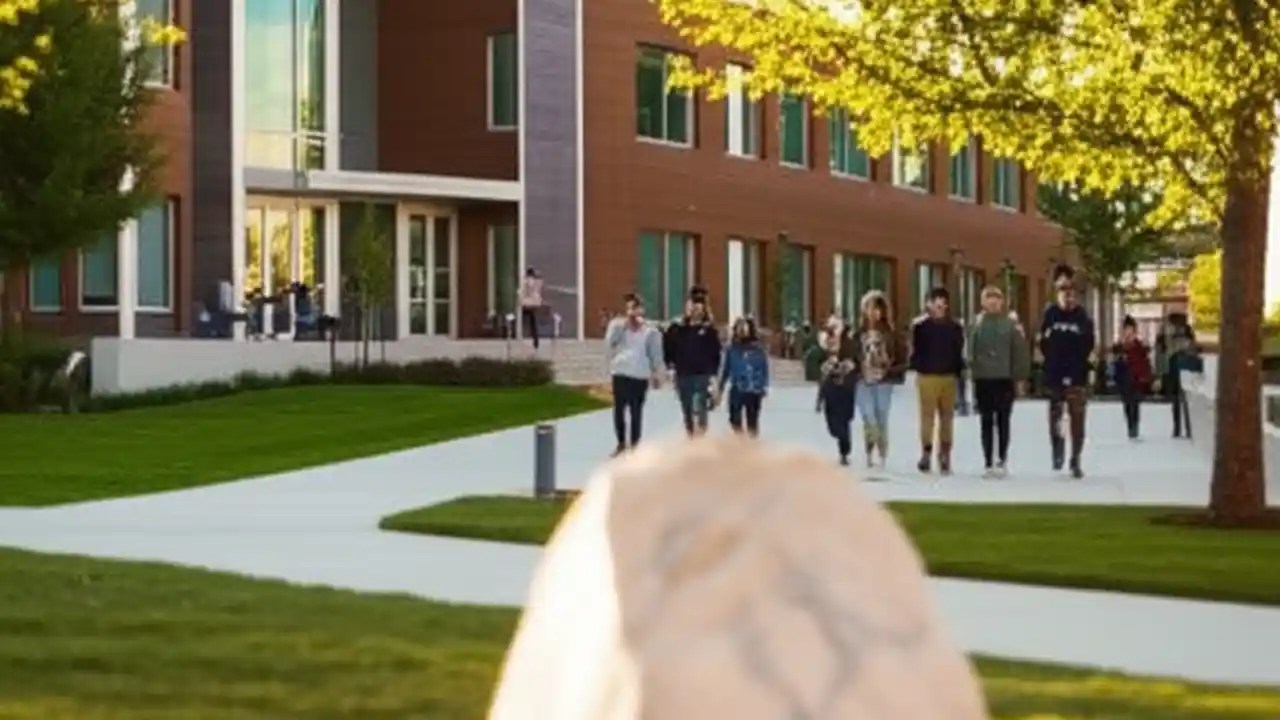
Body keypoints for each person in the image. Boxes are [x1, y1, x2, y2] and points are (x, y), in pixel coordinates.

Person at [968, 286, 1031, 478]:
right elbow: (970, 352)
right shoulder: (977, 325)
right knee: (986, 421)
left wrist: (1019, 378)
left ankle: (1001, 459)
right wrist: (971, 376)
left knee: (1003, 421)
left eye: (996, 298)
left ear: (1002, 302)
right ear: (982, 301)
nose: (993, 302)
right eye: (989, 298)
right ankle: (988, 461)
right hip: (983, 379)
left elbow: (1019, 353)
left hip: (1004, 379)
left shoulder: (1010, 326)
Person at [1039, 270, 1096, 478]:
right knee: (1055, 416)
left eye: (1071, 292)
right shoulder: (1050, 315)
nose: (1067, 296)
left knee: (1077, 418)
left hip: (1077, 374)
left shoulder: (1083, 318)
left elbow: (1089, 345)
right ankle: (1057, 448)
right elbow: (1043, 343)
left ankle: (1076, 458)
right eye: (1063, 292)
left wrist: (1081, 368)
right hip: (1054, 373)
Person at [910, 287, 966, 475]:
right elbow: (915, 351)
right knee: (927, 417)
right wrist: (918, 366)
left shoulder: (955, 328)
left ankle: (945, 453)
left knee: (947, 418)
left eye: (942, 302)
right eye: (935, 302)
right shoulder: (920, 327)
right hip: (927, 376)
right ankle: (926, 451)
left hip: (948, 376)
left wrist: (959, 377)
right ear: (928, 304)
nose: (939, 306)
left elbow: (958, 353)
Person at [606, 293, 665, 456]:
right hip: (621, 373)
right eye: (629, 308)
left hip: (639, 376)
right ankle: (621, 443)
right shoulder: (617, 326)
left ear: (641, 310)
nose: (632, 312)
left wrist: (657, 373)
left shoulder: (650, 331)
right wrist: (623, 326)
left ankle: (635, 444)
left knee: (636, 411)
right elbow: (610, 343)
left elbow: (656, 354)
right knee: (619, 411)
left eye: (635, 308)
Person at [851, 290, 905, 468]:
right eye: (870, 308)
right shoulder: (856, 333)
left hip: (884, 381)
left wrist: (892, 370)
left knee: (881, 416)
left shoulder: (891, 334)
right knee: (868, 416)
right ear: (863, 310)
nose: (874, 312)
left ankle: (882, 453)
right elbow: (849, 355)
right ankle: (868, 451)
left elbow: (902, 357)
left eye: (878, 308)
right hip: (862, 380)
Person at [665, 294, 722, 437]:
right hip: (683, 374)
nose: (693, 310)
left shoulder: (709, 331)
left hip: (702, 375)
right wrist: (669, 367)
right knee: (687, 408)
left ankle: (701, 433)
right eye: (691, 306)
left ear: (703, 309)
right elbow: (668, 349)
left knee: (699, 403)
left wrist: (713, 377)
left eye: (697, 307)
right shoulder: (677, 329)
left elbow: (715, 354)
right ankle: (691, 433)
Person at [717, 316, 769, 436]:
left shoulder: (758, 349)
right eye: (740, 329)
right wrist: (720, 387)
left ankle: (751, 444)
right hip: (737, 387)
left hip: (754, 388)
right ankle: (740, 438)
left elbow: (764, 368)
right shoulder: (732, 349)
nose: (742, 332)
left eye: (745, 329)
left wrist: (764, 385)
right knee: (734, 418)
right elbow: (726, 369)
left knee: (752, 420)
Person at [819, 321, 859, 465]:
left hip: (846, 389)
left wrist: (847, 369)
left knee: (844, 421)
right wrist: (819, 399)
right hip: (831, 388)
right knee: (833, 424)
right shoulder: (826, 344)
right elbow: (823, 373)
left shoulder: (850, 344)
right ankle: (840, 437)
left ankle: (844, 452)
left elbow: (855, 363)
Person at [1156, 311, 1199, 439]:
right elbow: (1193, 350)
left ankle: (1177, 427)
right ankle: (1185, 427)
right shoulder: (1185, 332)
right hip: (1182, 369)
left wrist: (1160, 373)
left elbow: (1160, 355)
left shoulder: (1164, 334)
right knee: (1184, 399)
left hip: (1173, 369)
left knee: (1176, 400)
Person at [1112, 315, 1154, 440]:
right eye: (1126, 329)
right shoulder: (1120, 346)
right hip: (1124, 379)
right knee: (1127, 404)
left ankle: (1134, 426)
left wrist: (1146, 376)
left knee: (1135, 403)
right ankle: (1130, 425)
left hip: (1136, 378)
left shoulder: (1139, 346)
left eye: (1130, 329)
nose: (1128, 332)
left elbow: (1144, 362)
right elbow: (1115, 363)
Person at [519, 268, 545, 350]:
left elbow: (524, 292)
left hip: (529, 303)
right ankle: (535, 338)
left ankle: (533, 336)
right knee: (533, 321)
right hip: (536, 303)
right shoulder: (538, 282)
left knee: (531, 321)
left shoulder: (527, 281)